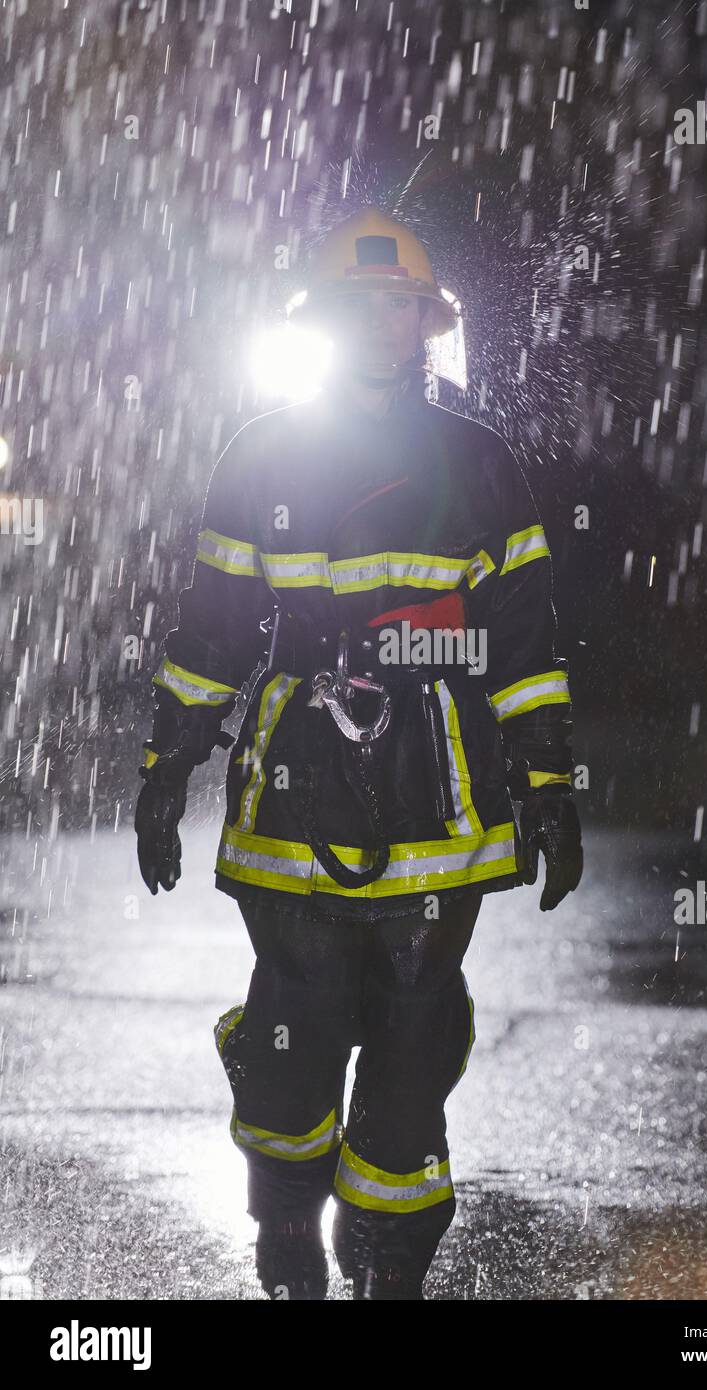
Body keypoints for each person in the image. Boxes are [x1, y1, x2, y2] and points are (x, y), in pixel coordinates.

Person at [134, 206, 583, 1300]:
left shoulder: (483, 465)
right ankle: (285, 1230)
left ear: (424, 325)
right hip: (295, 792)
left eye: (400, 308)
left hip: (444, 794)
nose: (382, 326)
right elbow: (216, 626)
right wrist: (169, 760)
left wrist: (547, 781)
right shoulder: (261, 454)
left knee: (414, 1037)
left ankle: (389, 1261)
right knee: (296, 1030)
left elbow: (520, 642)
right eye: (359, 307)